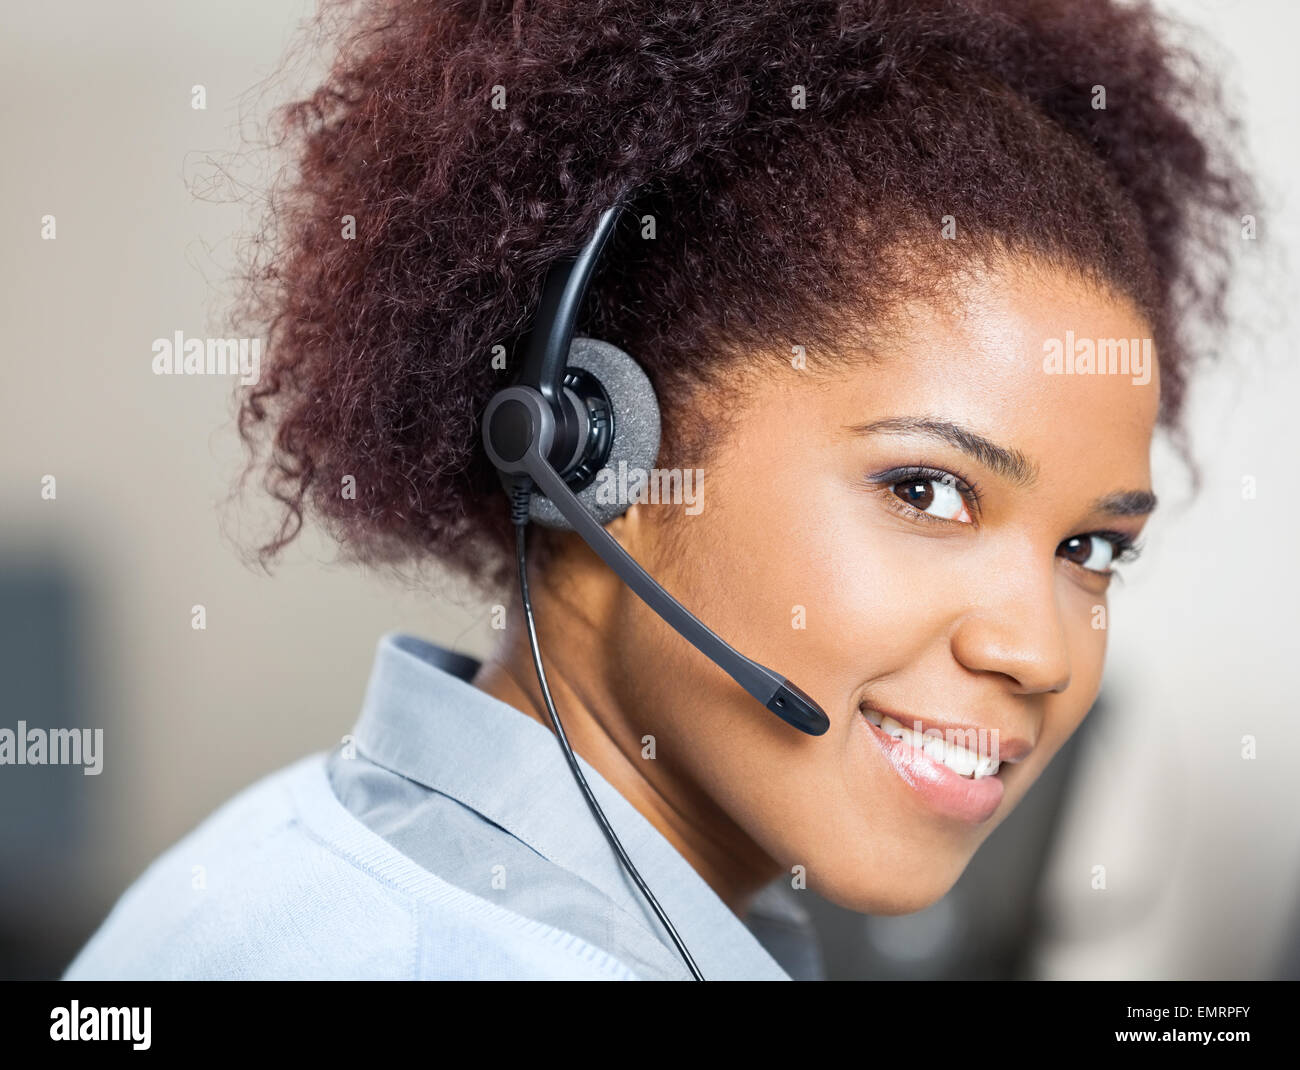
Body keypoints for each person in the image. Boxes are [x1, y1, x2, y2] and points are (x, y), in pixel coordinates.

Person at [64, 0, 1252, 980]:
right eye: (927, 490)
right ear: (595, 451)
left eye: (1091, 550)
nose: (1038, 652)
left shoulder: (289, 851)